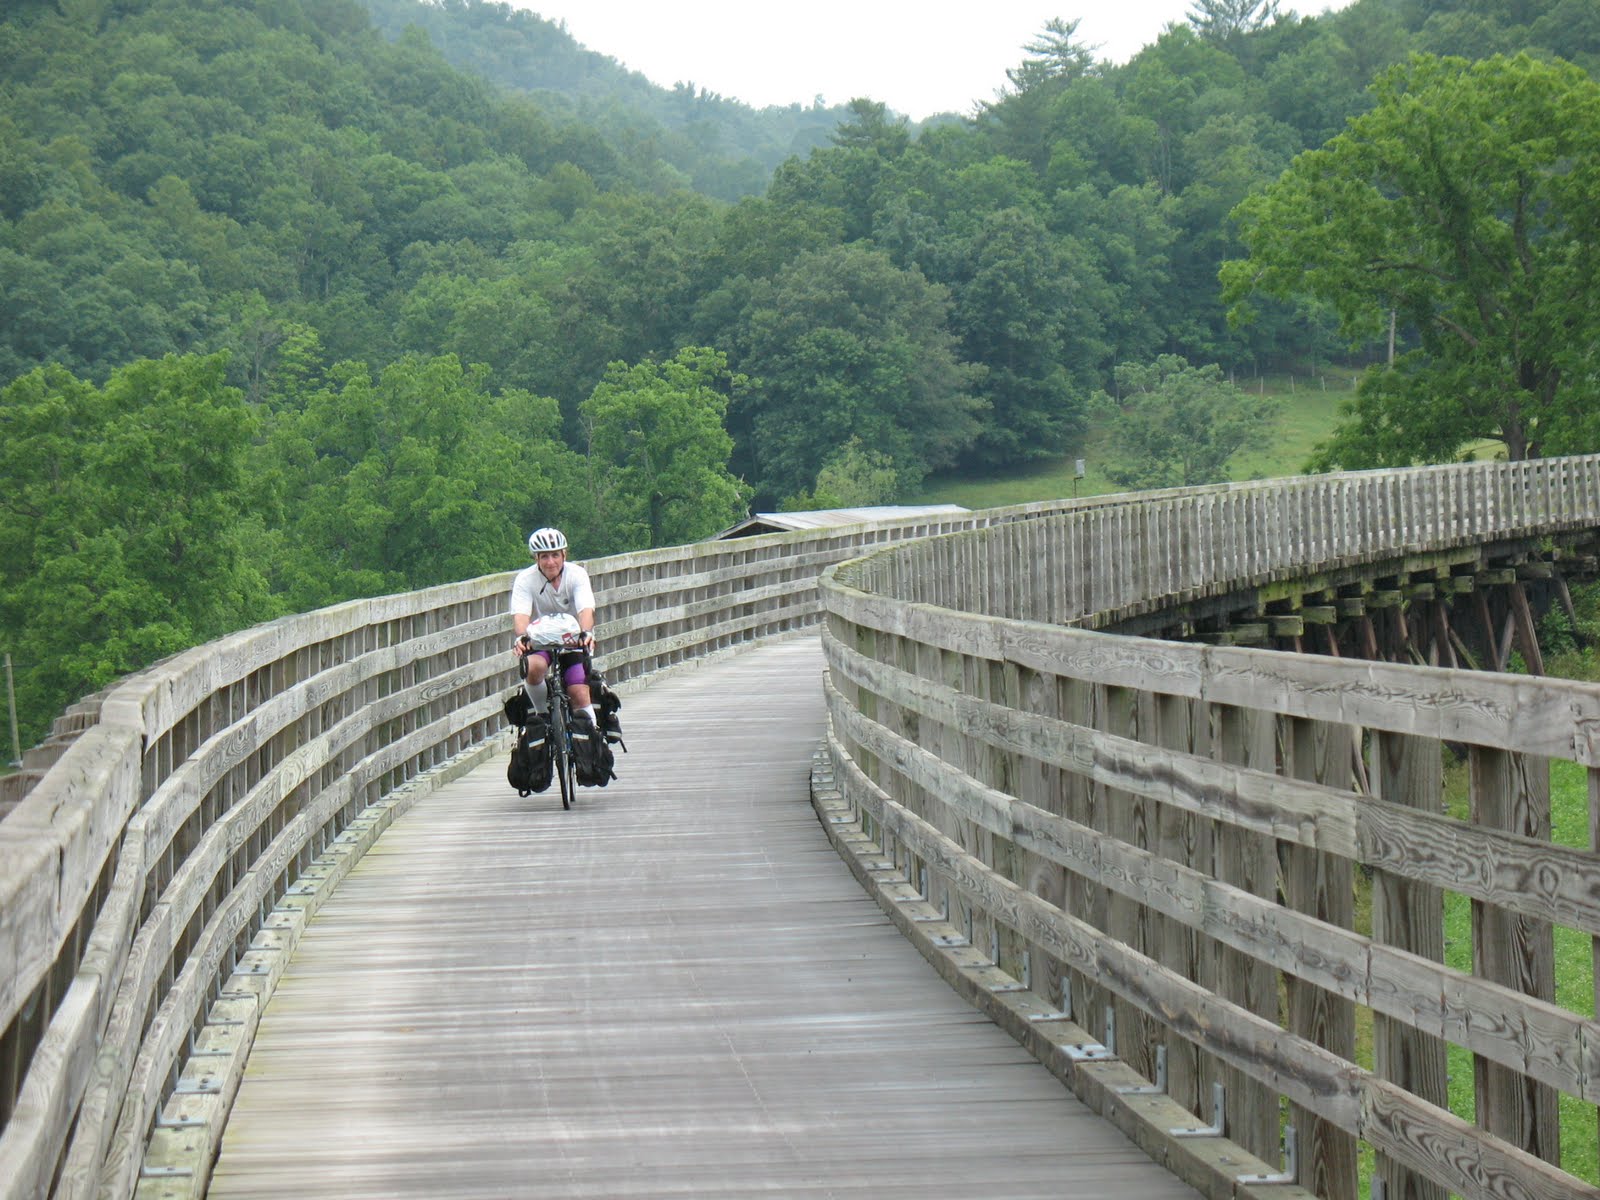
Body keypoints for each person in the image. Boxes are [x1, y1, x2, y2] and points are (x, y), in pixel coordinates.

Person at [510, 527, 600, 733]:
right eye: (544, 557)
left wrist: (585, 632)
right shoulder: (525, 579)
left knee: (578, 691)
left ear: (564, 555)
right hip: (540, 641)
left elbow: (586, 609)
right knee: (533, 669)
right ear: (536, 558)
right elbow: (521, 616)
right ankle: (542, 717)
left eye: (555, 555)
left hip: (573, 640)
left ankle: (594, 742)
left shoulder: (577, 575)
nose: (550, 562)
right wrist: (523, 637)